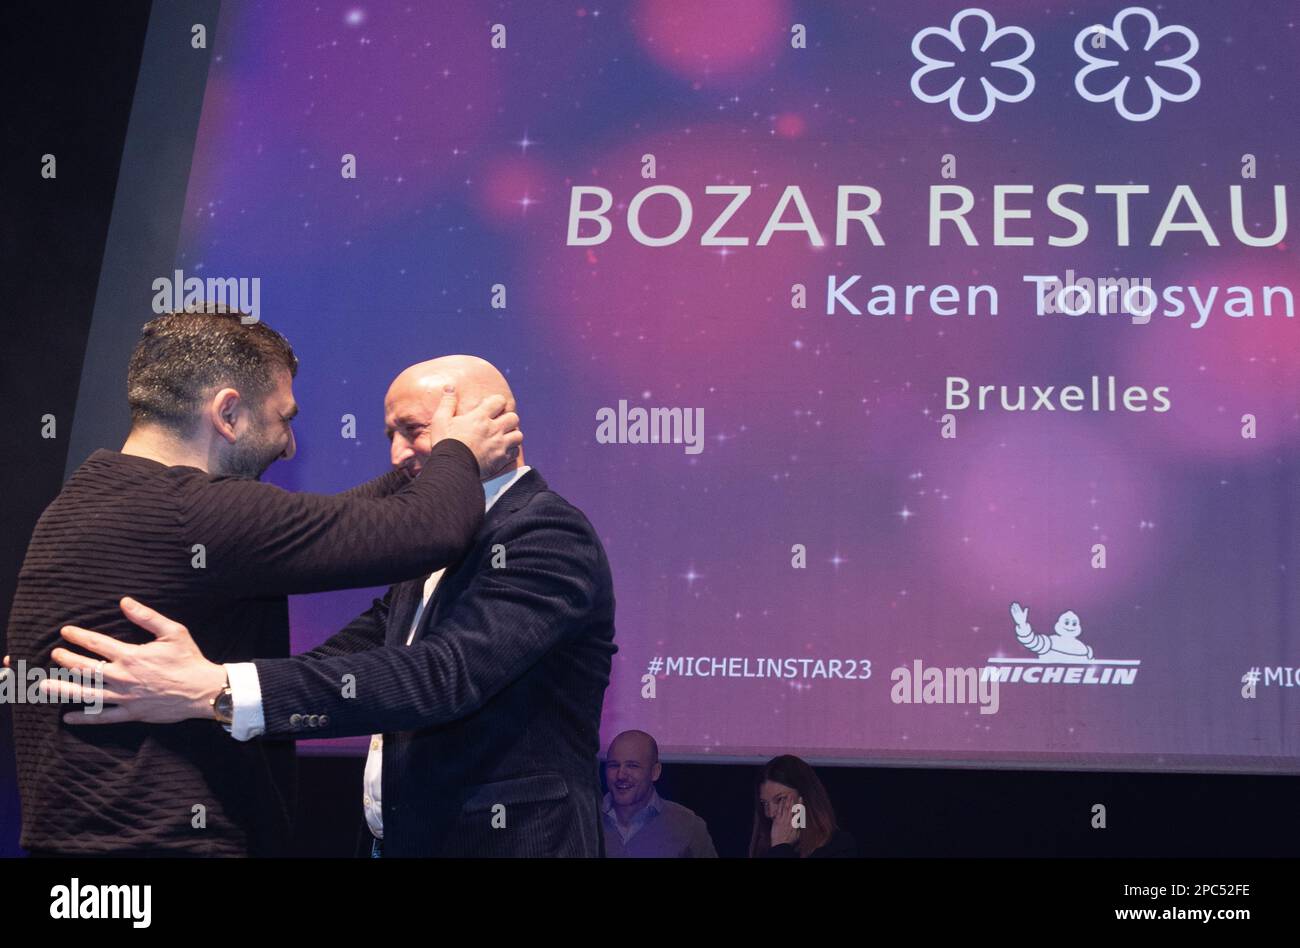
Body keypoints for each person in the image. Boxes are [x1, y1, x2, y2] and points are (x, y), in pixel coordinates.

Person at [42, 355, 617, 858]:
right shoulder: (443, 538)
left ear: (487, 422)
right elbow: (349, 657)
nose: (394, 454)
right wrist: (171, 681)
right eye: (388, 434)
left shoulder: (546, 531)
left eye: (413, 431)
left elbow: (444, 677)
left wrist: (217, 689)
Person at [601, 729, 716, 858]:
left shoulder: (688, 825)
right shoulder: (585, 820)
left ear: (655, 772)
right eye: (613, 765)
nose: (621, 775)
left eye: (632, 766)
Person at [750, 755, 857, 858]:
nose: (770, 813)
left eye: (780, 799)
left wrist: (781, 848)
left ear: (804, 798)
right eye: (764, 803)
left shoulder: (839, 847)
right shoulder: (763, 847)